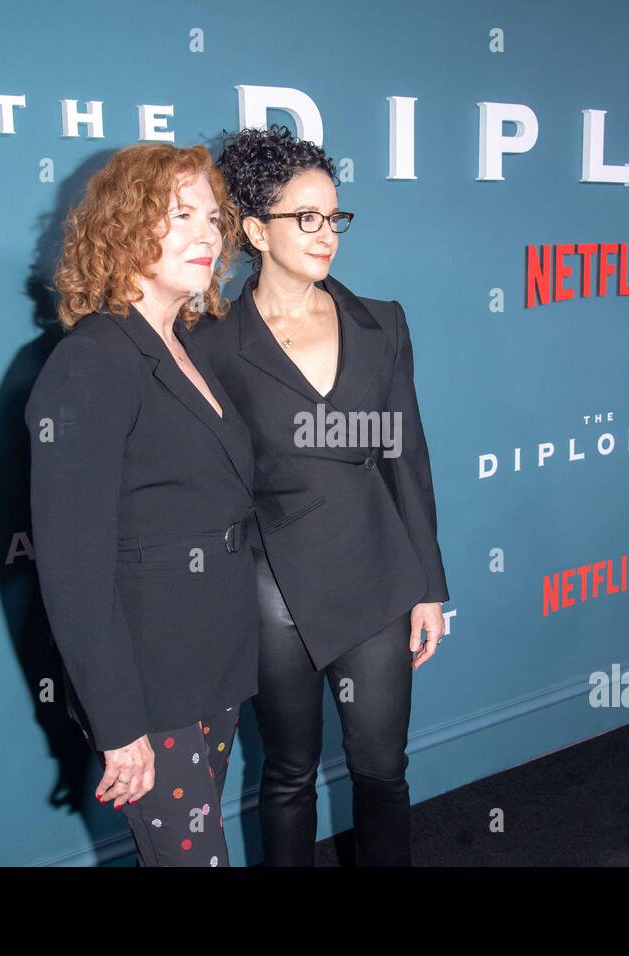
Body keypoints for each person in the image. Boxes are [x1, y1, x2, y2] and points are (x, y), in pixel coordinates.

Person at [190, 125, 449, 866]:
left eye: (334, 216)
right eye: (304, 217)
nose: (326, 232)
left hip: (375, 570)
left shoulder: (383, 323)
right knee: (288, 774)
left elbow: (408, 458)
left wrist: (427, 586)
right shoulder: (210, 343)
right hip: (274, 587)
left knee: (382, 769)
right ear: (252, 230)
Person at [25, 142, 258, 867]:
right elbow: (73, 566)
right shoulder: (92, 360)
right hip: (148, 682)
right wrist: (118, 722)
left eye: (213, 219)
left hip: (213, 659)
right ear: (123, 227)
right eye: (179, 215)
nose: (207, 236)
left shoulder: (190, 342)